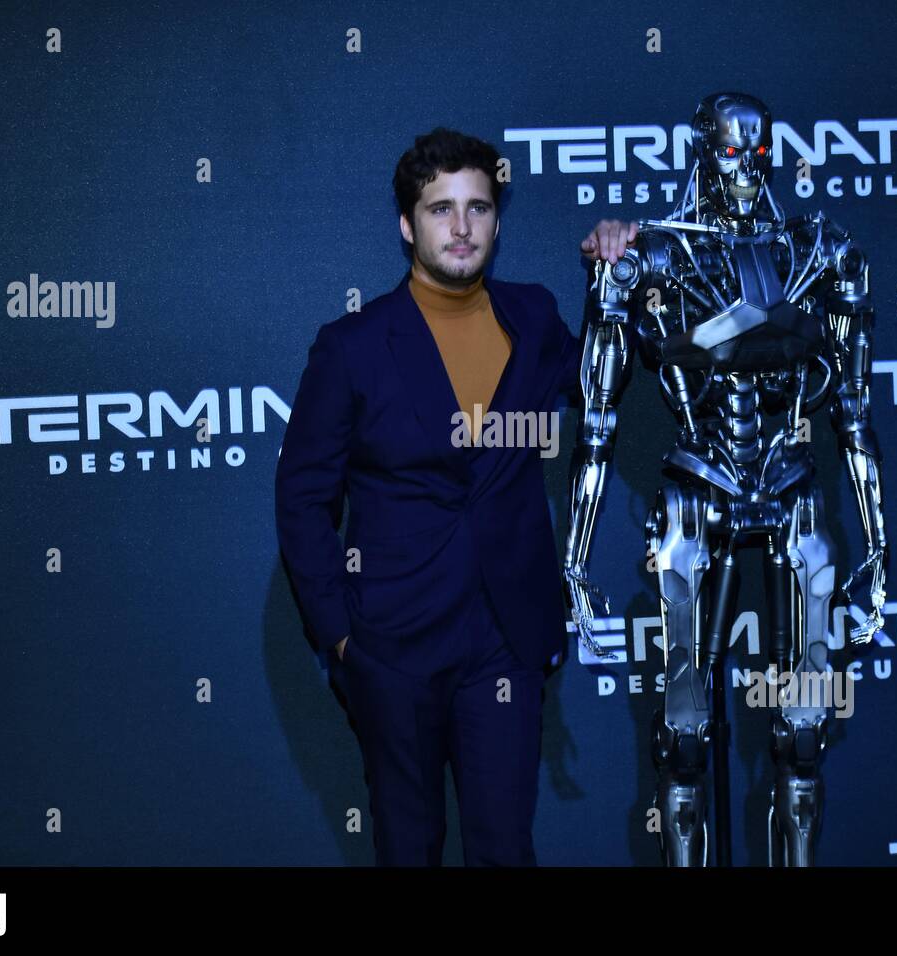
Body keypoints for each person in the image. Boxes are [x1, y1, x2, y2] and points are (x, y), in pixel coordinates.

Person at [275, 126, 635, 866]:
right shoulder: (351, 345)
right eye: (441, 209)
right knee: (410, 850)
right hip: (392, 646)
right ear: (408, 225)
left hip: (505, 641)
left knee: (506, 848)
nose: (462, 226)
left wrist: (619, 279)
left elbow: (604, 382)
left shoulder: (533, 318)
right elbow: (302, 496)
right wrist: (341, 637)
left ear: (498, 222)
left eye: (478, 207)